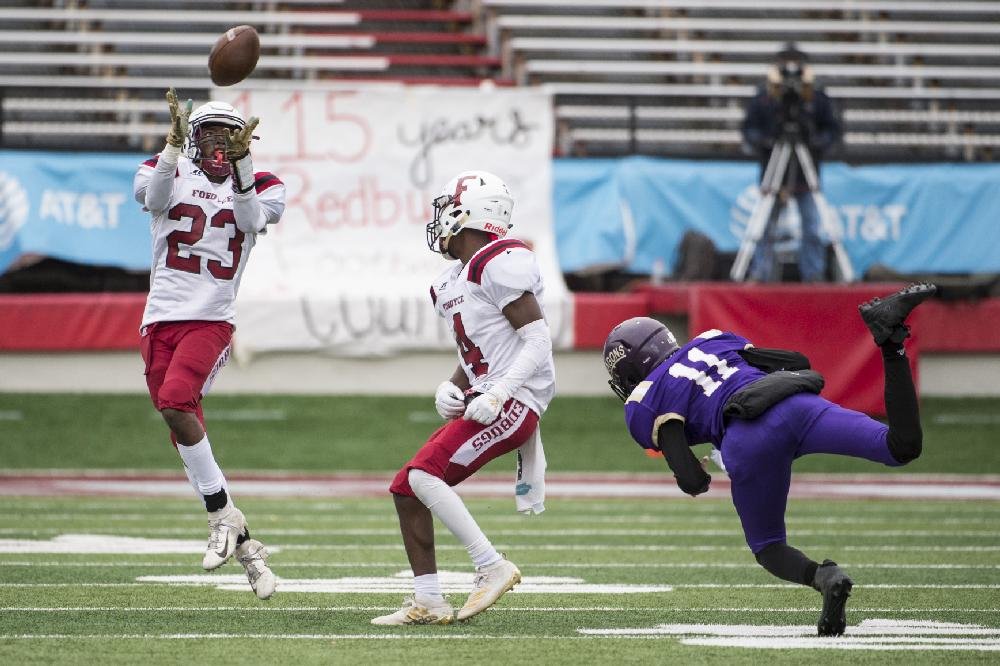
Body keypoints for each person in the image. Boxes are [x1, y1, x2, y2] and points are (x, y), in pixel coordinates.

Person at [601, 282, 936, 636]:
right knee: (900, 446)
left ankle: (825, 577)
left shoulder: (646, 398)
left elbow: (692, 481)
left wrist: (702, 465)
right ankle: (891, 343)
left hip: (747, 437)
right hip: (797, 406)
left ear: (630, 374)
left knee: (769, 548)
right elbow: (795, 362)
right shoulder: (712, 340)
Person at [371, 171, 556, 625]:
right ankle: (429, 600)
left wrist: (498, 395)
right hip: (489, 393)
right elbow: (479, 348)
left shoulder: (499, 261)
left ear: (473, 212)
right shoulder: (451, 280)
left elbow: (537, 342)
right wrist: (455, 384)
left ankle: (491, 565)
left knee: (422, 475)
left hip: (515, 399)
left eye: (449, 208)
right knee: (406, 488)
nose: (441, 219)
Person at [132, 88, 285, 600]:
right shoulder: (166, 167)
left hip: (211, 319)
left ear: (245, 143)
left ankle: (221, 516)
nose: (220, 147)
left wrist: (241, 173)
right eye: (211, 137)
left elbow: (251, 221)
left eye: (230, 139)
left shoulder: (262, 183)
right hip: (159, 321)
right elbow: (153, 200)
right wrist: (172, 148)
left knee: (177, 403)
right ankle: (246, 547)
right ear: (193, 139)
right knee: (180, 426)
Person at [741, 42, 843, 282]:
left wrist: (818, 141)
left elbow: (832, 129)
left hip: (806, 170)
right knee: (764, 227)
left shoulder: (816, 95)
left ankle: (814, 273)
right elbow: (749, 129)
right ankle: (760, 273)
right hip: (774, 167)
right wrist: (764, 141)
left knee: (812, 227)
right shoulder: (764, 95)